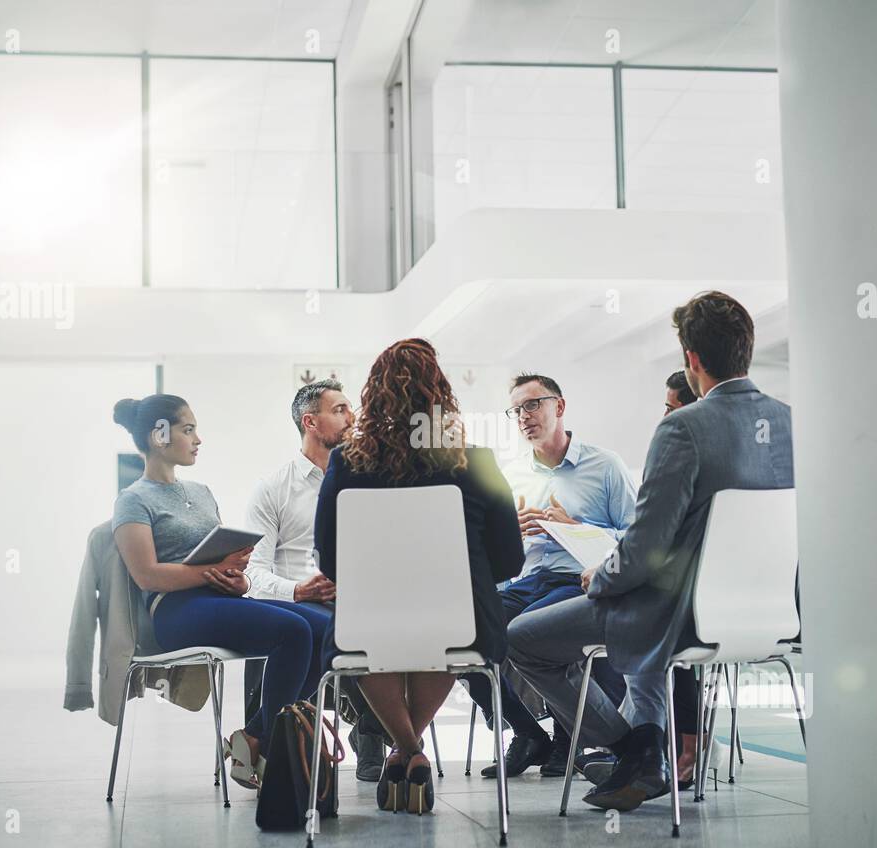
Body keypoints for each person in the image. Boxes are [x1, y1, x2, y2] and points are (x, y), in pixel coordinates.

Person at [506, 291, 794, 811]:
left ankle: (635, 748)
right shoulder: (793, 424)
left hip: (677, 612)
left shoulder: (682, 428)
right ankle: (643, 756)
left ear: (692, 360)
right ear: (746, 349)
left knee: (523, 639)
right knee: (633, 607)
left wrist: (600, 576)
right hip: (767, 613)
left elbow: (642, 549)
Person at [313, 339, 524, 814]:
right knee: (443, 635)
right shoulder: (477, 462)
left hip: (366, 625)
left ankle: (405, 749)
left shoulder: (346, 463)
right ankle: (410, 751)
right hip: (458, 623)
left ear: (374, 394)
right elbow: (510, 561)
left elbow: (329, 561)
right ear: (441, 394)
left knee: (374, 641)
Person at [110, 394, 330, 790]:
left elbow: (227, 564)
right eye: (188, 429)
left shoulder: (201, 492)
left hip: (222, 598)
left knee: (327, 630)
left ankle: (255, 736)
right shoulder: (133, 501)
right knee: (294, 632)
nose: (198, 439)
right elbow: (148, 577)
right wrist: (212, 572)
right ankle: (272, 746)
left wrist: (238, 578)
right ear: (159, 435)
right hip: (176, 611)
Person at [464, 373, 636, 780]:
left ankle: (568, 738)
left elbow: (634, 536)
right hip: (524, 580)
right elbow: (494, 548)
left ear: (559, 407)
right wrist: (511, 531)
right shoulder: (509, 473)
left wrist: (575, 526)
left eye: (533, 404)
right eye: (517, 410)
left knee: (531, 631)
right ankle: (526, 732)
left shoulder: (605, 465)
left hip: (576, 580)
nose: (524, 416)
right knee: (460, 631)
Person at [242, 380, 386, 782]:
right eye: (339, 410)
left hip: (358, 598)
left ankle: (371, 731)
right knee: (342, 629)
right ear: (310, 421)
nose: (352, 417)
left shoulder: (366, 480)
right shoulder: (273, 489)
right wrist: (298, 589)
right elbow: (252, 572)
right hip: (297, 603)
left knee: (389, 623)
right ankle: (377, 736)